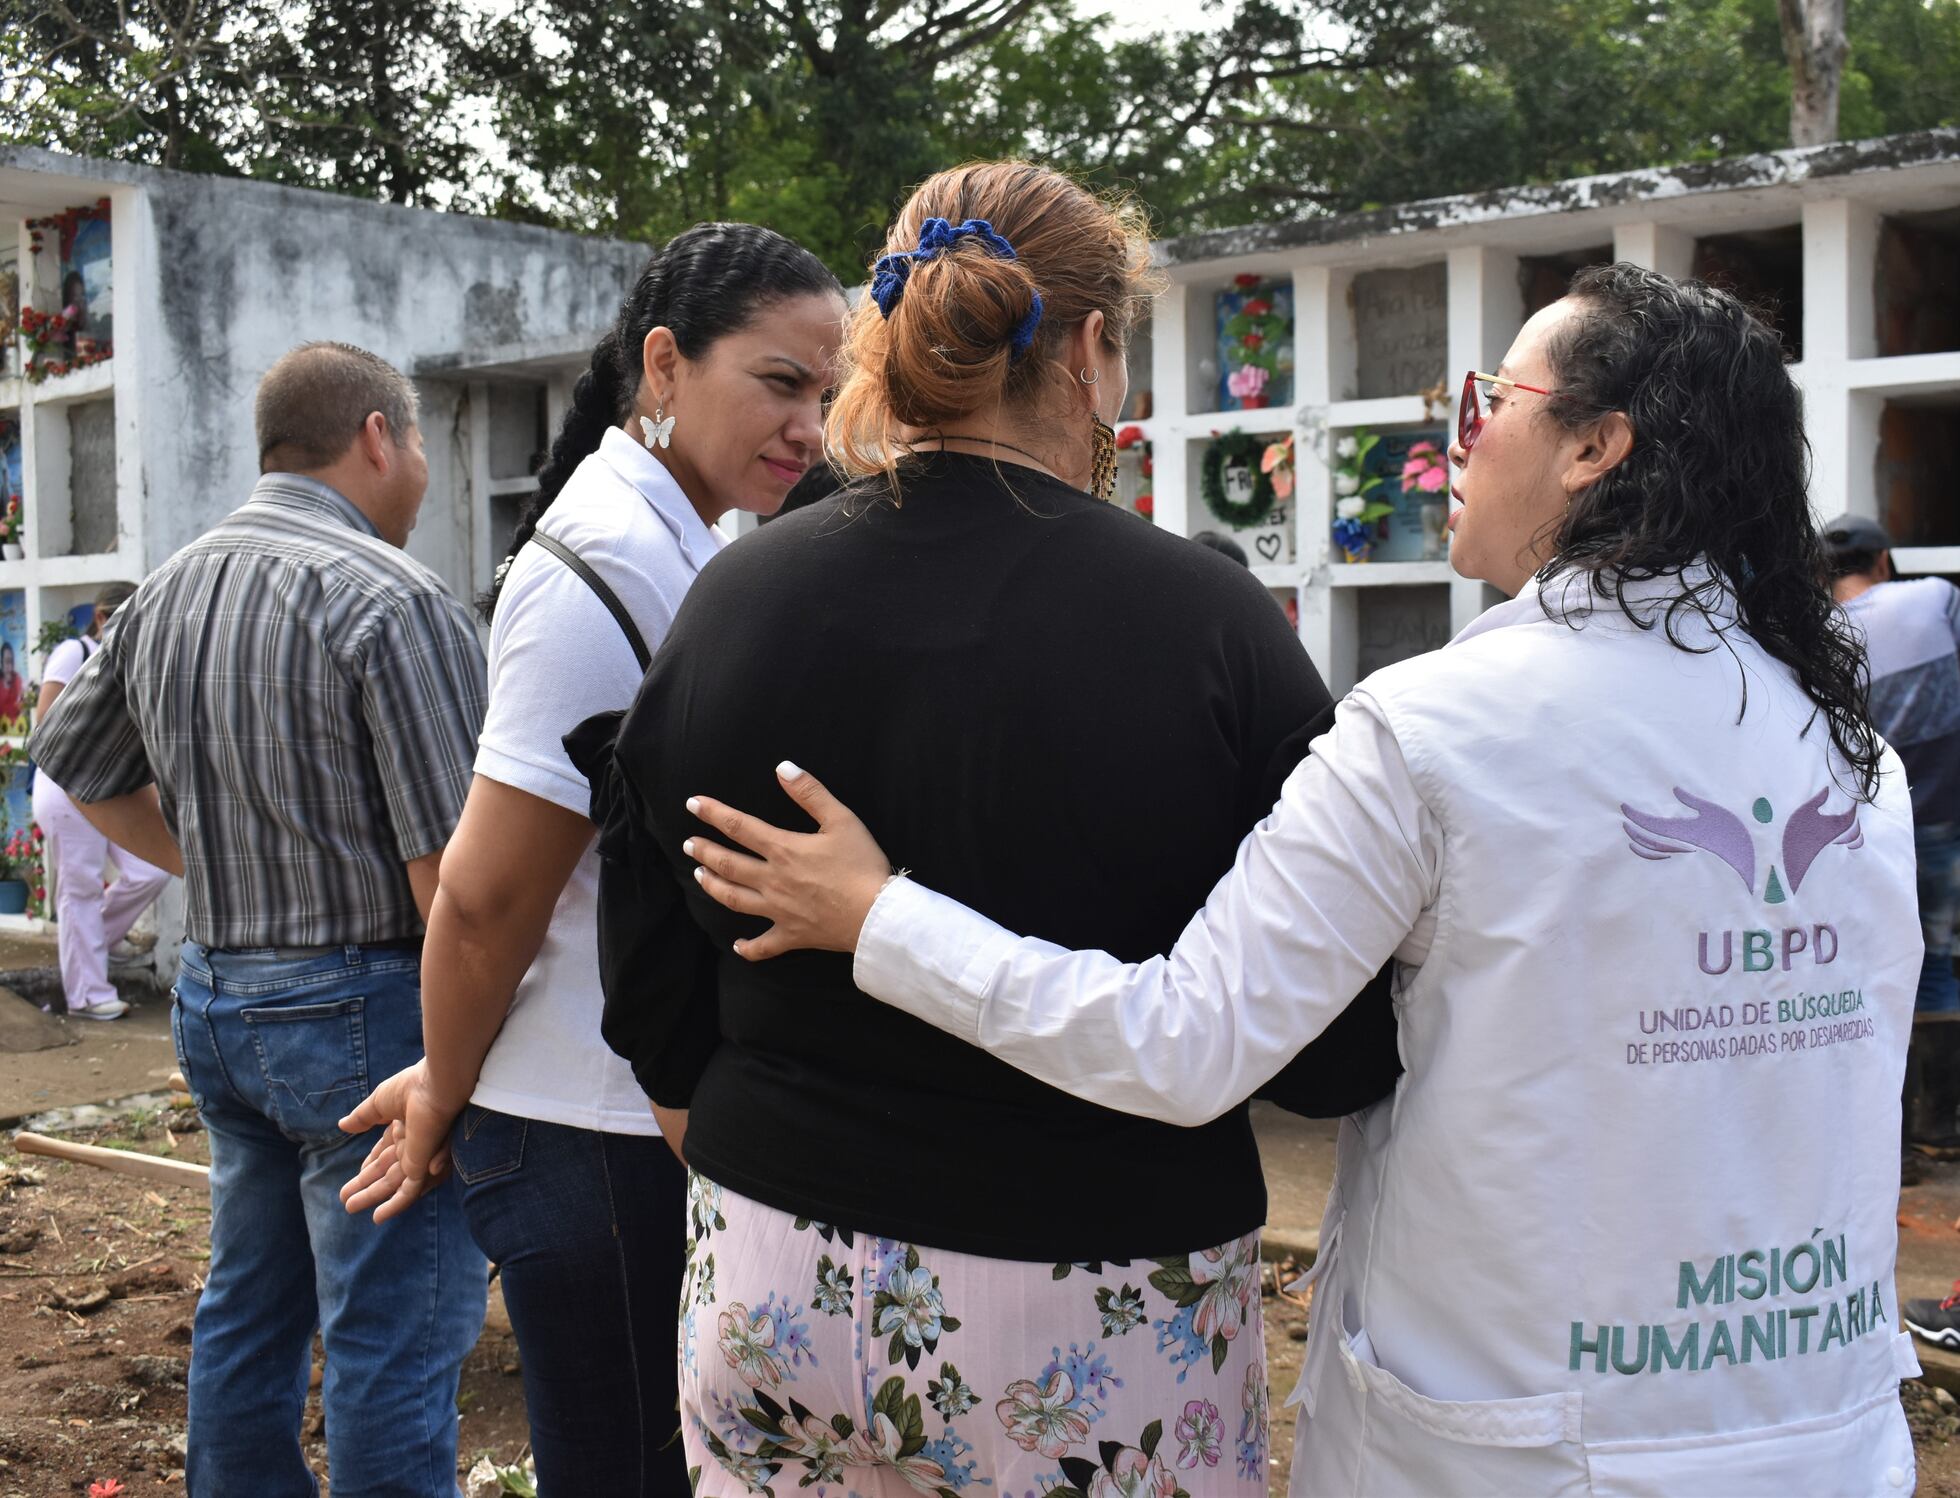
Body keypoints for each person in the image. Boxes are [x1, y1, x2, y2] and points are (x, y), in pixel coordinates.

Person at [683, 265, 1928, 1494]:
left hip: (1514, 1446)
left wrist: (881, 917)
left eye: (1487, 402)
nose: (1460, 441)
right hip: (1819, 1431)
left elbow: (1185, 1043)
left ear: (1595, 446)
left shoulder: (1440, 729)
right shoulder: (1846, 751)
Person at [565, 162, 1397, 1496]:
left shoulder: (730, 600)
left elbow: (649, 956)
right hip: (1089, 1309)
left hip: (768, 1264)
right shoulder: (1209, 628)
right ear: (1089, 349)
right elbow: (1332, 1041)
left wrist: (761, 1139)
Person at [335, 225, 843, 1494]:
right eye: (780, 383)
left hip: (635, 1110)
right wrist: (445, 1085)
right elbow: (489, 893)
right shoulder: (603, 562)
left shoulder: (694, 536)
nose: (810, 429)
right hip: (587, 1125)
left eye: (826, 396)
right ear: (662, 365)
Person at [31, 342, 489, 1497]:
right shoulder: (393, 596)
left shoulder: (170, 586)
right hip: (367, 1014)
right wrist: (466, 1051)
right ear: (378, 435)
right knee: (391, 1329)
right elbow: (454, 880)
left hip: (221, 1000)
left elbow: (76, 766)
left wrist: (210, 856)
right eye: (423, 440)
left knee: (251, 1304)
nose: (424, 468)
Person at [1825, 514, 1960, 1014]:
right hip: (1939, 817)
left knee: (1871, 969)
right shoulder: (1933, 597)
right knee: (1936, 966)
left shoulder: (1815, 632)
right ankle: (1941, 1087)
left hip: (1863, 831)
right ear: (1883, 560)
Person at [32, 582, 172, 1020]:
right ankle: (88, 995)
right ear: (101, 618)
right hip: (65, 781)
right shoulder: (74, 652)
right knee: (81, 887)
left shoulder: (133, 657)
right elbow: (45, 721)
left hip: (114, 784)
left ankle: (95, 945)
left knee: (151, 870)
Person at [0, 642, 23, 723]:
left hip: (16, 729)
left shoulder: (17, 679)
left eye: (11, 661)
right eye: (6, 661)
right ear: (1, 662)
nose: (9, 665)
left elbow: (21, 705)